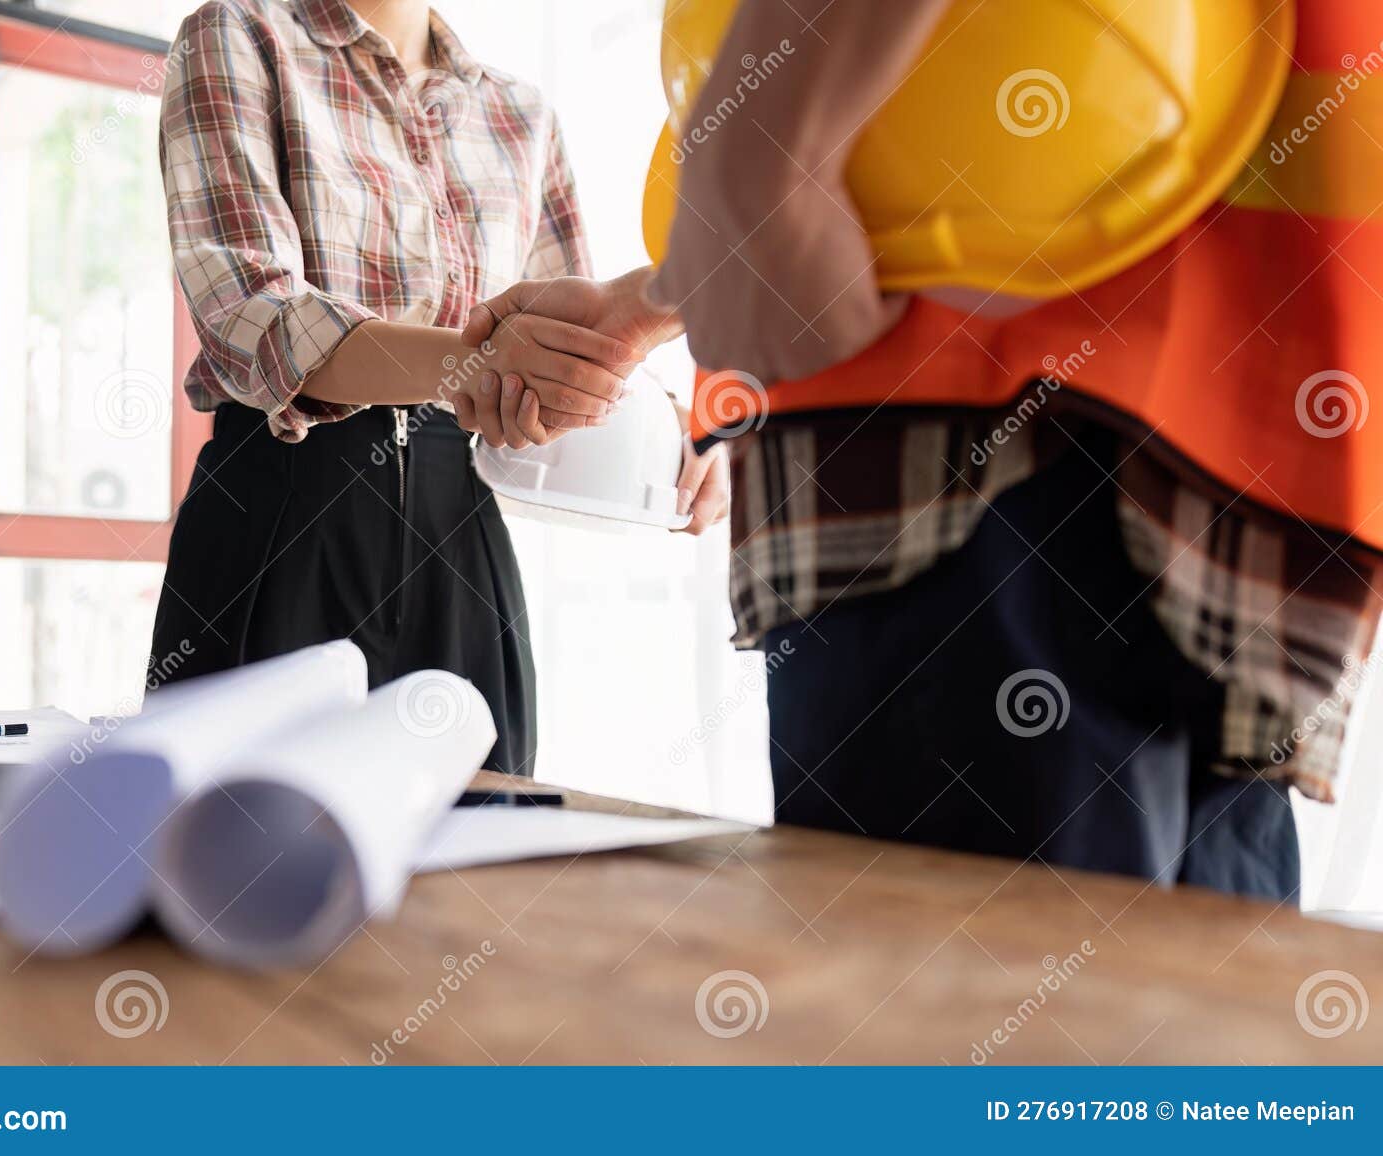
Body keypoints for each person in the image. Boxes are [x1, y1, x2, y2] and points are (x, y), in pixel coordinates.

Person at [479, 0, 1383, 901]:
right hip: (1237, 451)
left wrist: (760, 166)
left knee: (971, 1012)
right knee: (1153, 1021)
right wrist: (672, 286)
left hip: (986, 446)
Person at [148, 0, 727, 777]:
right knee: (240, 864)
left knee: (483, 860)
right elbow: (248, 315)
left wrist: (666, 428)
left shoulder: (521, 113)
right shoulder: (239, 34)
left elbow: (573, 342)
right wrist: (480, 365)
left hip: (465, 530)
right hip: (284, 519)